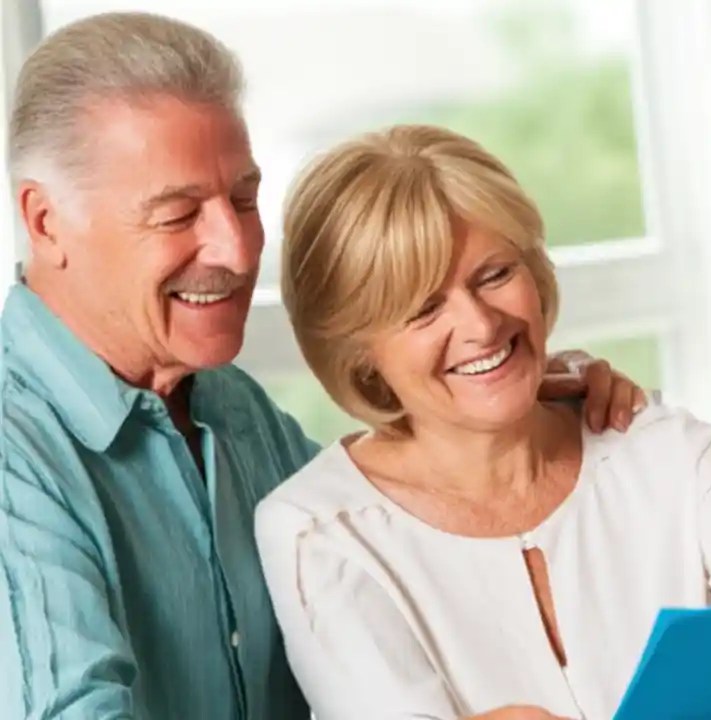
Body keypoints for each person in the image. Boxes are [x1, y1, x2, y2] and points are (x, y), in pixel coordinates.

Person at [0, 13, 639, 720]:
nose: (238, 250)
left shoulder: (232, 409)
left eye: (244, 200)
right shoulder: (14, 458)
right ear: (46, 222)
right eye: (178, 215)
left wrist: (511, 391)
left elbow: (392, 530)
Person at [253, 124, 711, 720]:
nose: (480, 326)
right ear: (359, 352)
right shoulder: (318, 532)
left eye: (495, 275)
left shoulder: (665, 451)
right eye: (424, 309)